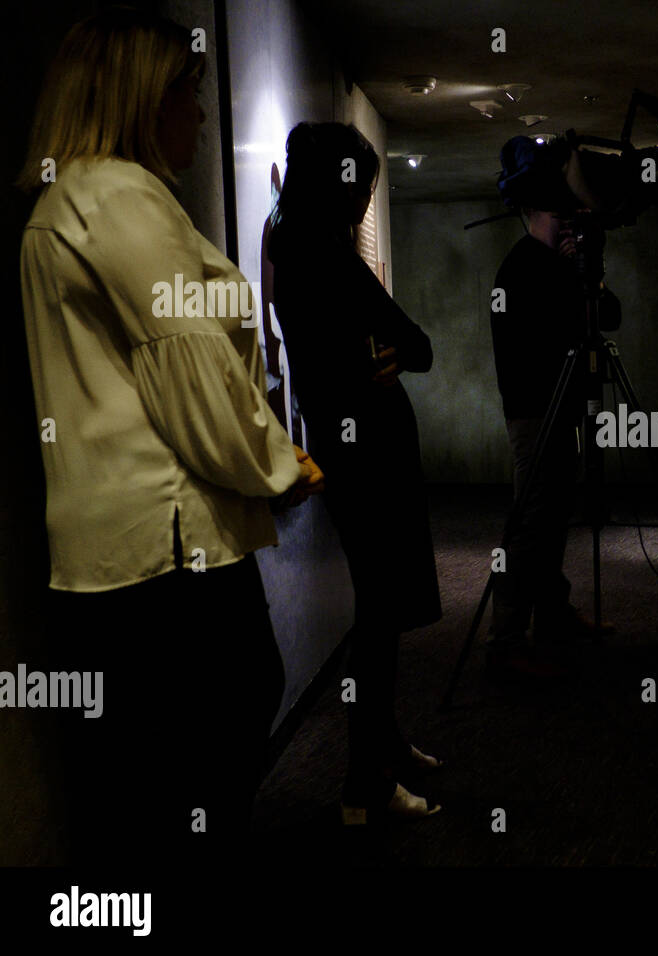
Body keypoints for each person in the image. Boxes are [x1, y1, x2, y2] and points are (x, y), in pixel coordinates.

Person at [16, 8, 324, 866]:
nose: (197, 116)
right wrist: (275, 465)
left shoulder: (62, 201)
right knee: (202, 753)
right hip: (167, 551)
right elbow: (188, 367)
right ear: (144, 98)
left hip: (111, 557)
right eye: (187, 95)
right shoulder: (118, 193)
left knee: (136, 778)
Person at [269, 122, 444, 823]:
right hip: (370, 454)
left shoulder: (293, 246)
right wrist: (384, 354)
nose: (366, 201)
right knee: (378, 619)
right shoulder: (327, 256)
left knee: (380, 613)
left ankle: (383, 752)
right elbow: (421, 346)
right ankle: (362, 784)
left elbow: (400, 348)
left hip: (350, 451)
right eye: (360, 186)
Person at [487, 199, 621, 677]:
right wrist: (571, 275)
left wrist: (586, 275)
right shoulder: (524, 266)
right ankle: (505, 639)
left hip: (560, 410)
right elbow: (550, 328)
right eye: (562, 214)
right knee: (530, 522)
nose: (571, 224)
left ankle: (552, 617)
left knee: (553, 516)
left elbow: (609, 316)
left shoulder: (560, 266)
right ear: (538, 213)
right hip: (534, 412)